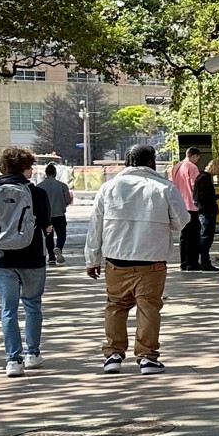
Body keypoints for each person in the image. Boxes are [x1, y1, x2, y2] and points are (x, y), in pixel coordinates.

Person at [85, 144, 189, 374]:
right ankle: (147, 357)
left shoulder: (109, 187)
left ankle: (113, 355)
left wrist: (92, 259)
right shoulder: (165, 188)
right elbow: (182, 221)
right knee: (149, 308)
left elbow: (96, 226)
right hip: (152, 260)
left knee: (116, 306)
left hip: (116, 259)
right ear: (152, 162)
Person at [0, 146, 52, 377]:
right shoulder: (37, 193)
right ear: (24, 167)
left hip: (1, 258)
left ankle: (13, 360)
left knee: (8, 309)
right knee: (32, 305)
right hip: (32, 256)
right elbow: (46, 225)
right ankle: (33, 354)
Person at [171, 147, 206, 270]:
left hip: (180, 204)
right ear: (194, 156)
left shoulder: (176, 166)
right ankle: (192, 263)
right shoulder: (192, 167)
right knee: (193, 235)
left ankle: (184, 262)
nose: (197, 161)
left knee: (184, 235)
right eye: (197, 158)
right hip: (192, 205)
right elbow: (194, 186)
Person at [38, 163, 72, 265]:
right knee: (61, 233)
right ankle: (59, 247)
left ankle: (51, 258)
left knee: (48, 236)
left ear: (46, 173)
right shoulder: (62, 186)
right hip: (59, 214)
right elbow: (67, 200)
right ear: (55, 173)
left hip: (46, 216)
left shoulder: (39, 186)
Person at [191, 157, 219, 270]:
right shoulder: (205, 179)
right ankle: (205, 262)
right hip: (207, 211)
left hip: (203, 210)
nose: (218, 174)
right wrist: (218, 196)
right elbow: (205, 197)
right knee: (206, 237)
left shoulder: (201, 177)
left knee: (205, 236)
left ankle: (204, 261)